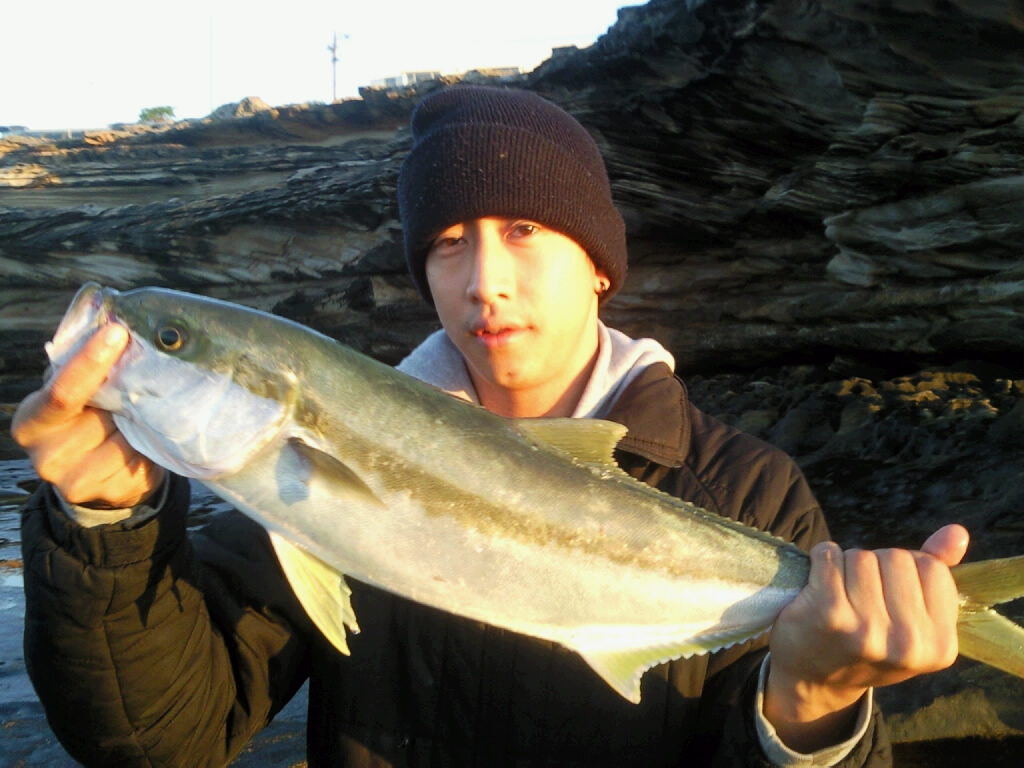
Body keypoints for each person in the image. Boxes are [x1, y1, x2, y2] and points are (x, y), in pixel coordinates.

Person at [12, 86, 965, 767]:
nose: (484, 282)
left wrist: (811, 705)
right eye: (447, 243)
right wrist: (106, 525)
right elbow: (160, 737)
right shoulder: (279, 496)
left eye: (524, 231)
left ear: (598, 263)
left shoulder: (747, 490)